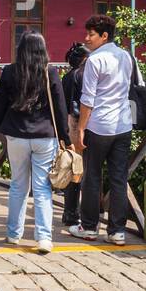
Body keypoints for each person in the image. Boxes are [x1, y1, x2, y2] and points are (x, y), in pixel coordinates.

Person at [0, 32, 68, 254]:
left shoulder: (10, 71)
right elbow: (60, 108)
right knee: (42, 187)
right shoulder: (50, 72)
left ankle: (13, 233)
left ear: (21, 49)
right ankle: (44, 238)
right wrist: (66, 138)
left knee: (18, 185)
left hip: (16, 136)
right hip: (45, 137)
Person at [69, 14, 135, 245]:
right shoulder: (127, 57)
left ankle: (89, 227)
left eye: (91, 34)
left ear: (104, 35)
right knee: (118, 178)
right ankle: (117, 231)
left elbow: (88, 100)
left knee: (92, 176)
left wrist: (80, 130)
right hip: (123, 125)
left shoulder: (95, 60)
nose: (86, 38)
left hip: (98, 126)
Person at [60, 42, 89, 228]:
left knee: (73, 169)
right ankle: (76, 213)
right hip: (79, 126)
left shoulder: (68, 76)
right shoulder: (83, 75)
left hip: (69, 126)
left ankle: (70, 212)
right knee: (80, 170)